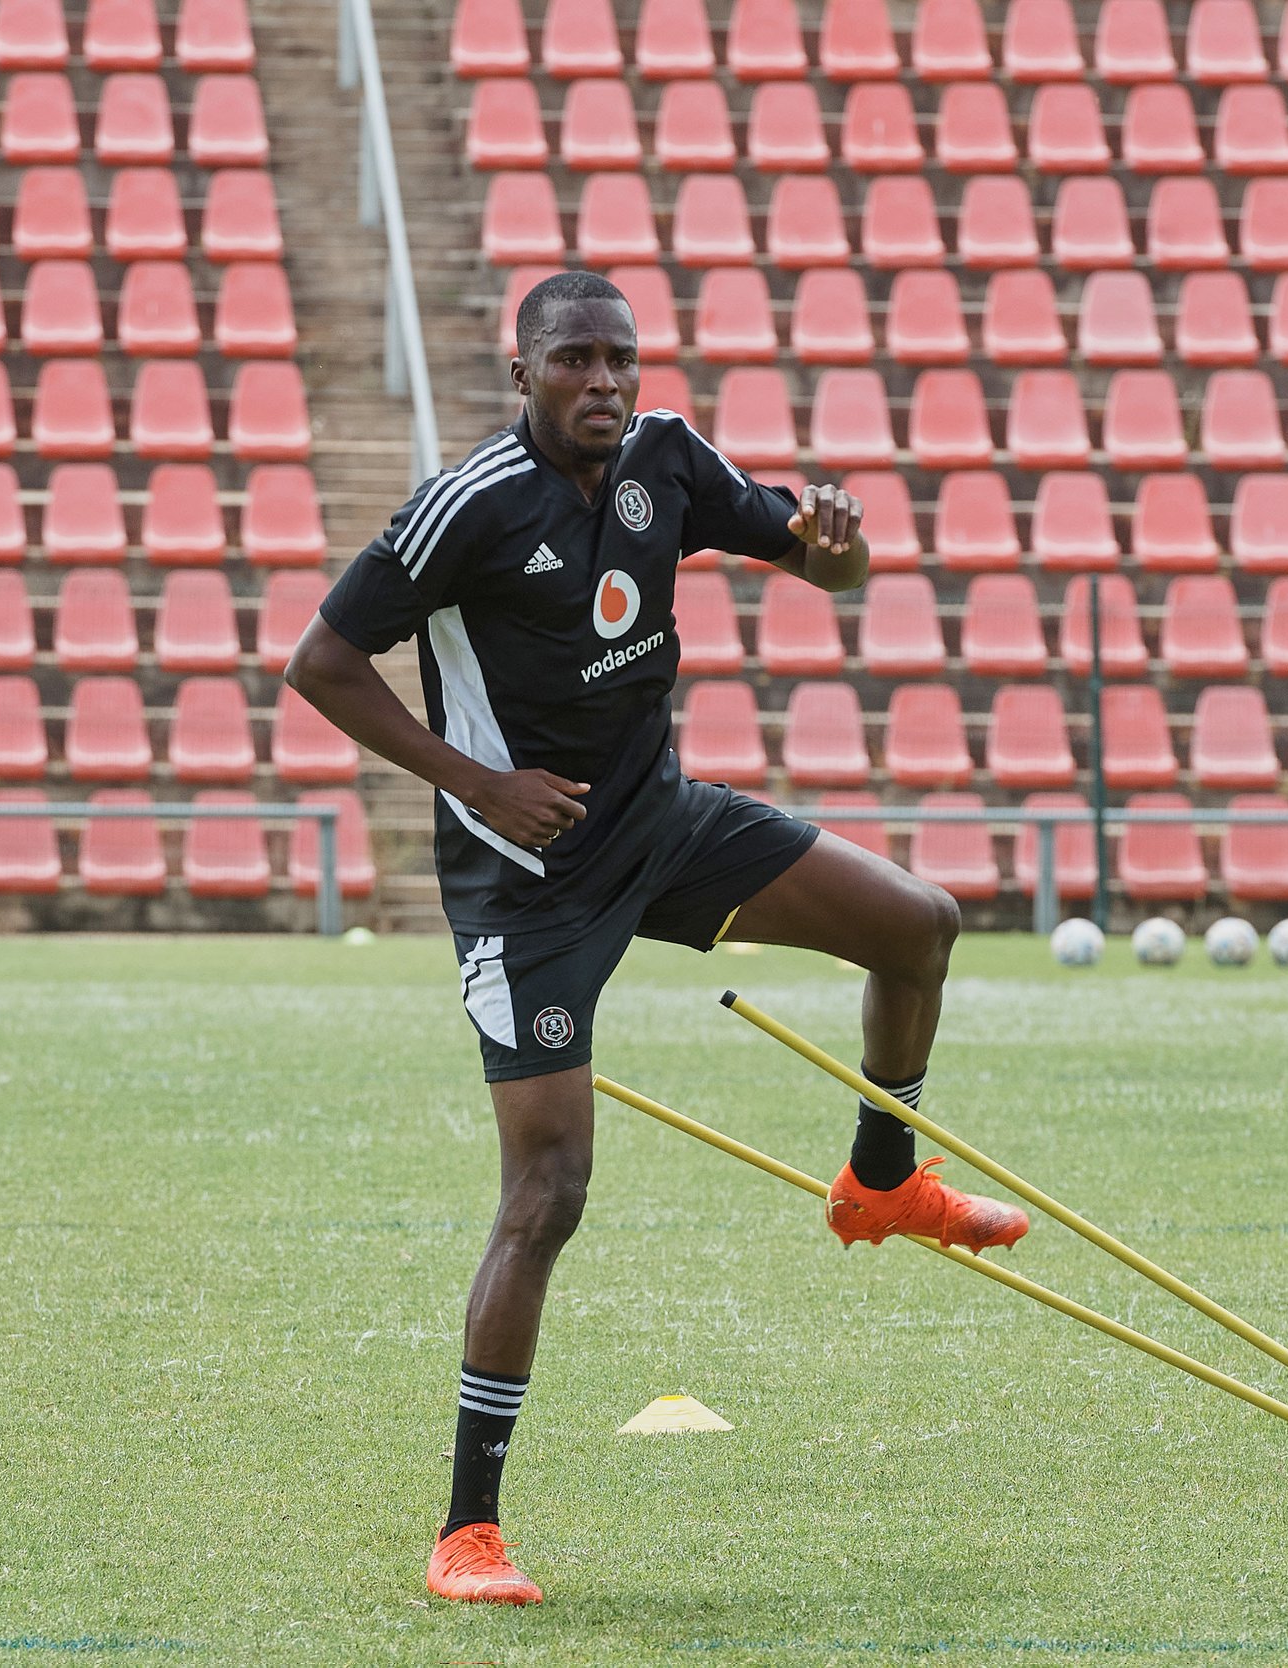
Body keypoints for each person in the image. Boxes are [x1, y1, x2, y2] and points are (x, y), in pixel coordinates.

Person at [286, 271, 1028, 1606]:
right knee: (549, 1191)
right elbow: (323, 665)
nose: (606, 383)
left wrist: (843, 541)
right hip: (529, 884)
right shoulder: (466, 507)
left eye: (620, 359)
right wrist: (476, 780)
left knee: (919, 925)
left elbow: (827, 569)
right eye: (576, 361)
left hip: (662, 829)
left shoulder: (666, 462)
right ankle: (468, 1531)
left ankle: (880, 1181)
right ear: (526, 377)